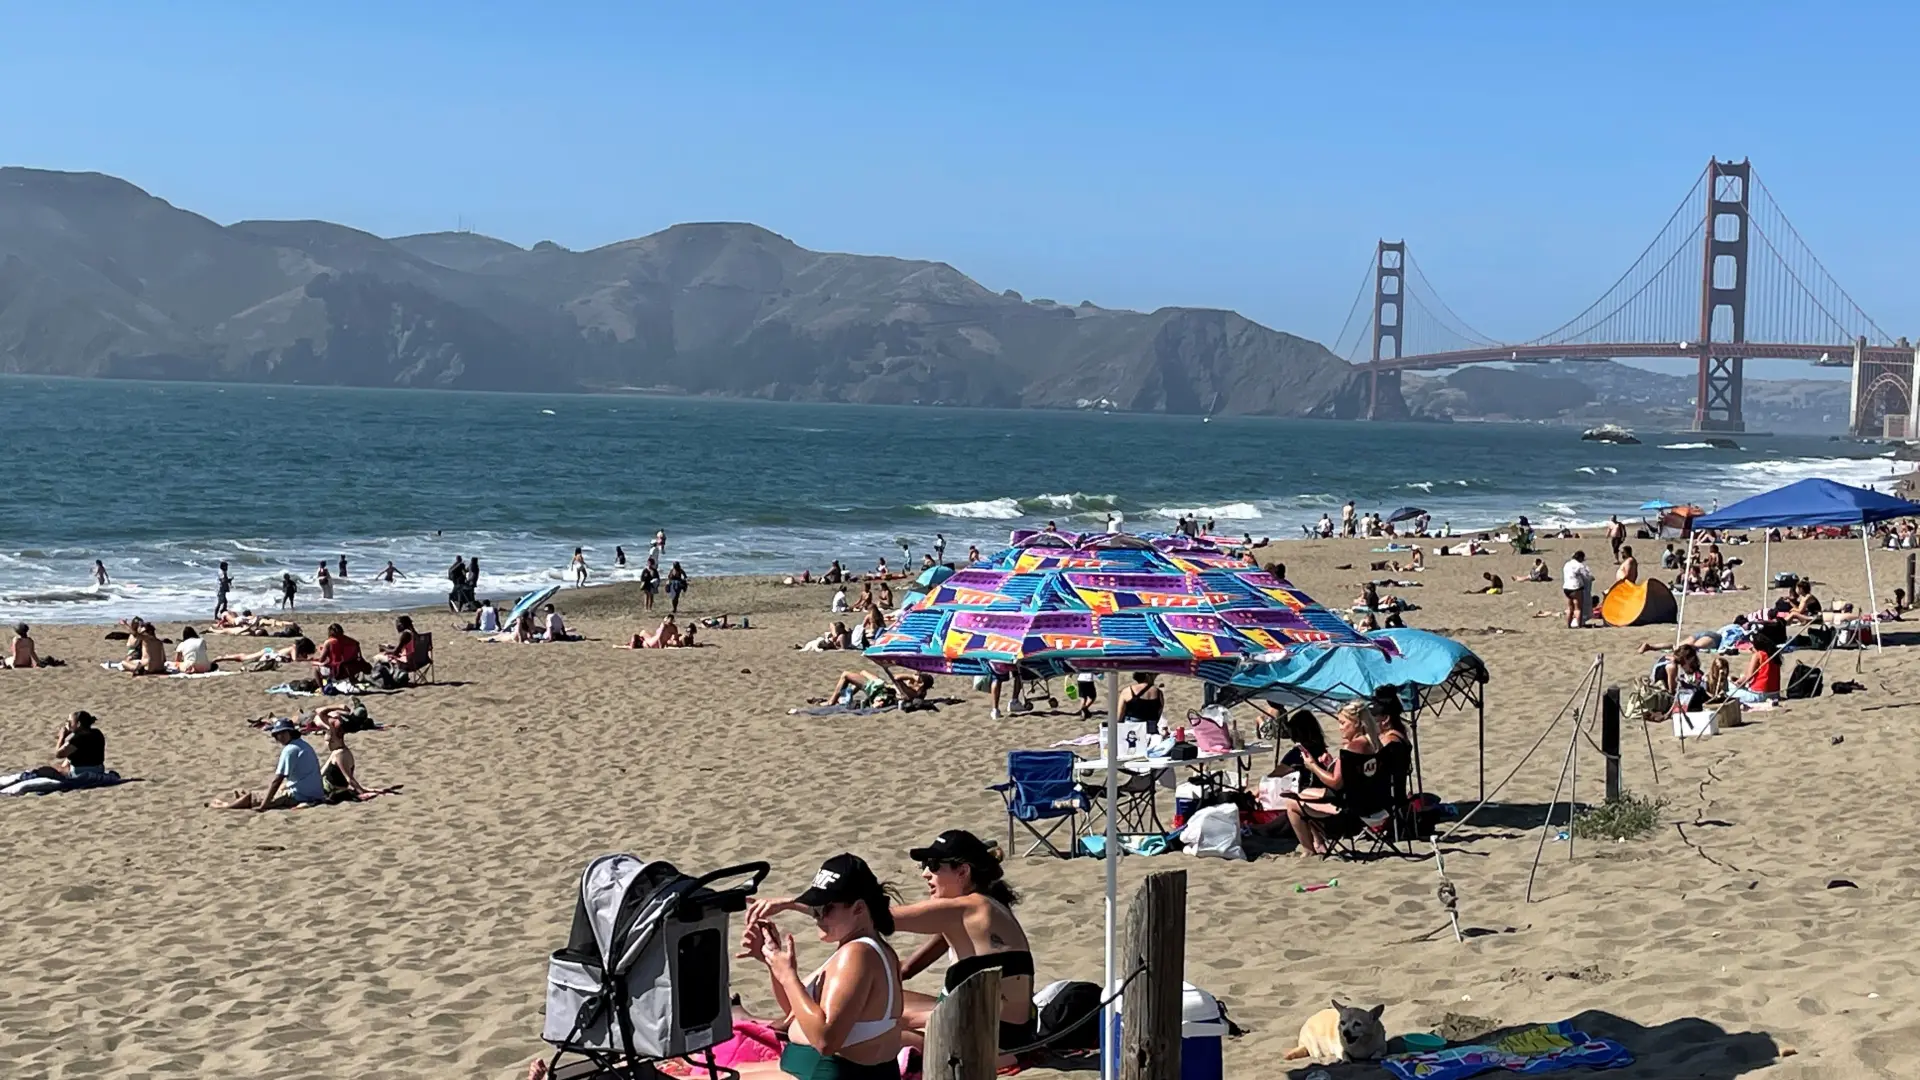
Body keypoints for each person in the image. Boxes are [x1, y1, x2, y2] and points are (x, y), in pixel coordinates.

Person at [734, 853, 903, 1080]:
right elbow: (795, 1014)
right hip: (819, 1067)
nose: (816, 916)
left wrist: (788, 976)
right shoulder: (860, 949)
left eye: (825, 909)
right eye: (814, 908)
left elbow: (825, 1040)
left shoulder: (858, 955)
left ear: (859, 908)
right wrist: (772, 961)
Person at [1282, 701, 1381, 857]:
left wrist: (1313, 766)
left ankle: (1309, 850)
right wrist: (1332, 764)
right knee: (1302, 792)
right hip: (1370, 802)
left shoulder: (1352, 748)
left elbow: (1335, 782)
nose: (1340, 728)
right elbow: (1350, 774)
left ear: (1356, 723)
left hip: (1349, 809)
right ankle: (1318, 842)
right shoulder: (1372, 744)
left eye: (1342, 723)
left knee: (1292, 802)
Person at [208, 718, 326, 811]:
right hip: (314, 792)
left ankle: (226, 806)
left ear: (290, 733)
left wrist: (264, 805)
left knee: (252, 796)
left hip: (301, 796)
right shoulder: (302, 745)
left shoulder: (290, 750)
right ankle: (243, 801)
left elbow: (277, 780)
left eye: (283, 733)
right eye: (278, 734)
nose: (280, 737)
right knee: (274, 790)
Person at [319, 712, 371, 802]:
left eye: (330, 741)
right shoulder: (337, 752)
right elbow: (321, 773)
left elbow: (349, 778)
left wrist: (361, 792)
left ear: (339, 739)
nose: (328, 745)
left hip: (332, 791)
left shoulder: (340, 754)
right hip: (325, 786)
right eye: (326, 742)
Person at [53, 710, 107, 777]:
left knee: (56, 770)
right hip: (98, 769)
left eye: (69, 722)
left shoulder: (78, 738)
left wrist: (62, 737)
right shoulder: (97, 733)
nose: (67, 725)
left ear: (78, 724)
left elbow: (58, 754)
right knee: (69, 758)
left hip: (80, 773)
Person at [213, 637, 318, 666]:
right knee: (244, 658)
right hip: (268, 653)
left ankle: (225, 657)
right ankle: (223, 657)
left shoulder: (296, 650)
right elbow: (295, 660)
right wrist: (309, 660)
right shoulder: (293, 648)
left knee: (245, 657)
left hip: (270, 652)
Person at [1561, 550, 1594, 628]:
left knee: (1569, 607)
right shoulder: (1579, 565)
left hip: (1566, 587)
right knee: (1577, 608)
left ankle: (1568, 625)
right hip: (1575, 587)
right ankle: (1579, 625)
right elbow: (1586, 576)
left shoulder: (1567, 564)